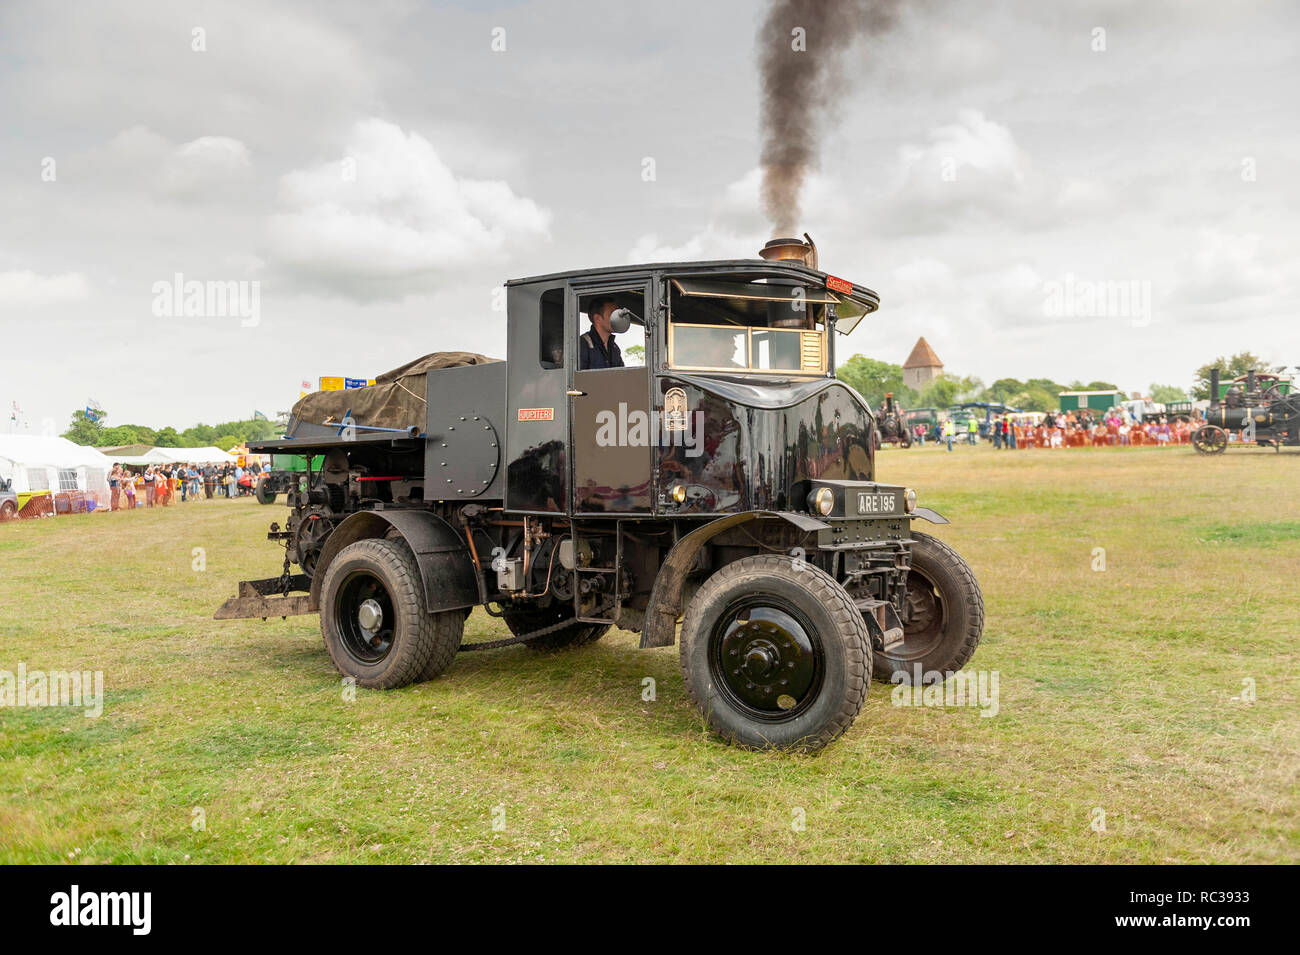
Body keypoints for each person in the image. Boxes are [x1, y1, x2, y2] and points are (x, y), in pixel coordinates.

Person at [579, 297, 625, 370]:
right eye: (613, 314)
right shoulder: (582, 344)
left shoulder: (614, 348)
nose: (617, 318)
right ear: (597, 318)